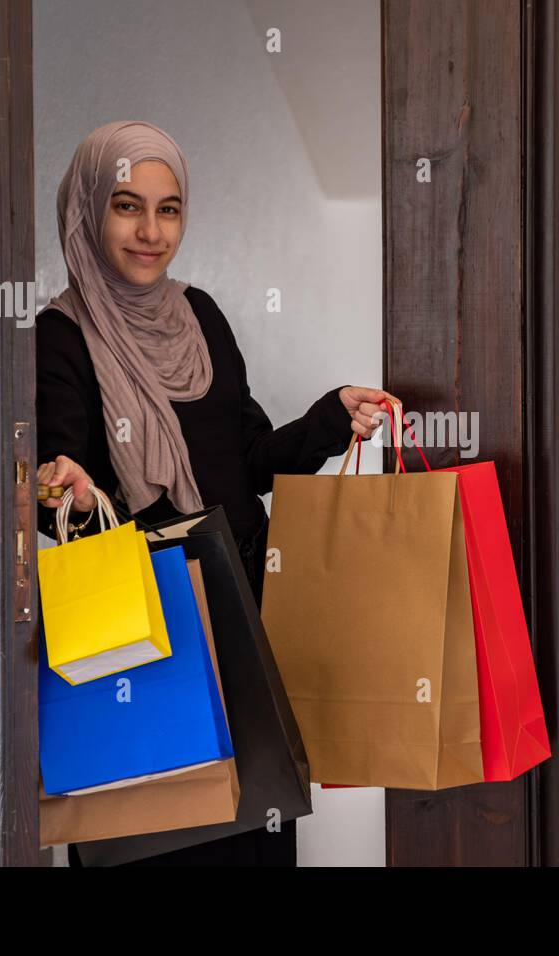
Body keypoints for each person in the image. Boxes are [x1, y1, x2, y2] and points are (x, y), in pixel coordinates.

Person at [35, 120, 392, 866]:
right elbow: (59, 480)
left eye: (169, 210)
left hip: (242, 614)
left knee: (256, 827)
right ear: (87, 210)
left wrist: (333, 416)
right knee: (149, 835)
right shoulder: (61, 337)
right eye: (126, 206)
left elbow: (249, 462)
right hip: (143, 633)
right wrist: (63, 489)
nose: (151, 231)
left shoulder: (201, 317)